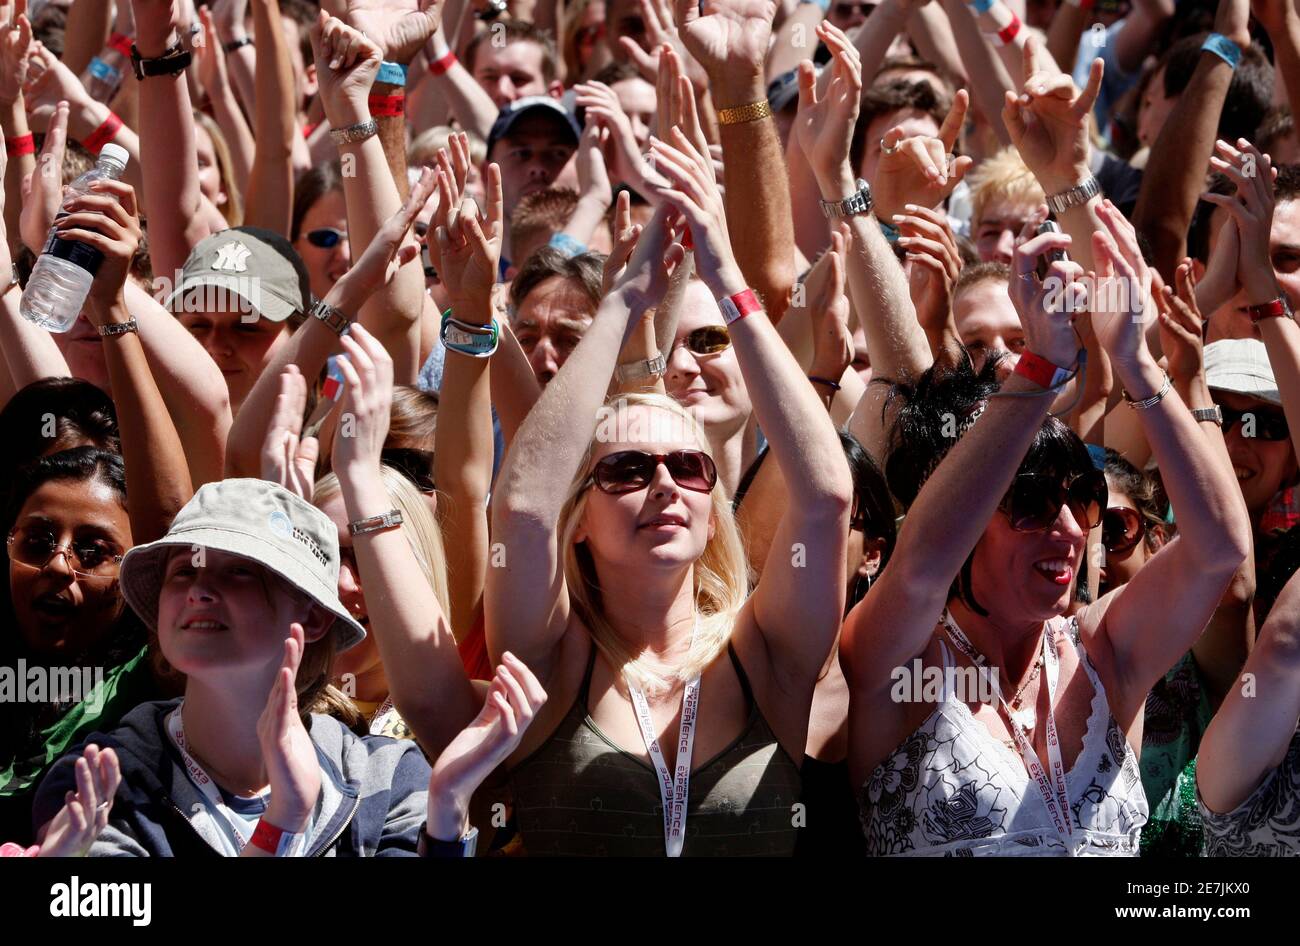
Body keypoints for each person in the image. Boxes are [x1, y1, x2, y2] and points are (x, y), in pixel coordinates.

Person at [492, 128, 853, 855]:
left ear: (713, 514)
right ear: (582, 521)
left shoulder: (766, 657)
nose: (663, 483)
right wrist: (624, 299)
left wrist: (728, 280)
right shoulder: (551, 658)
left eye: (690, 469)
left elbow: (826, 498)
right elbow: (524, 509)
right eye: (626, 469)